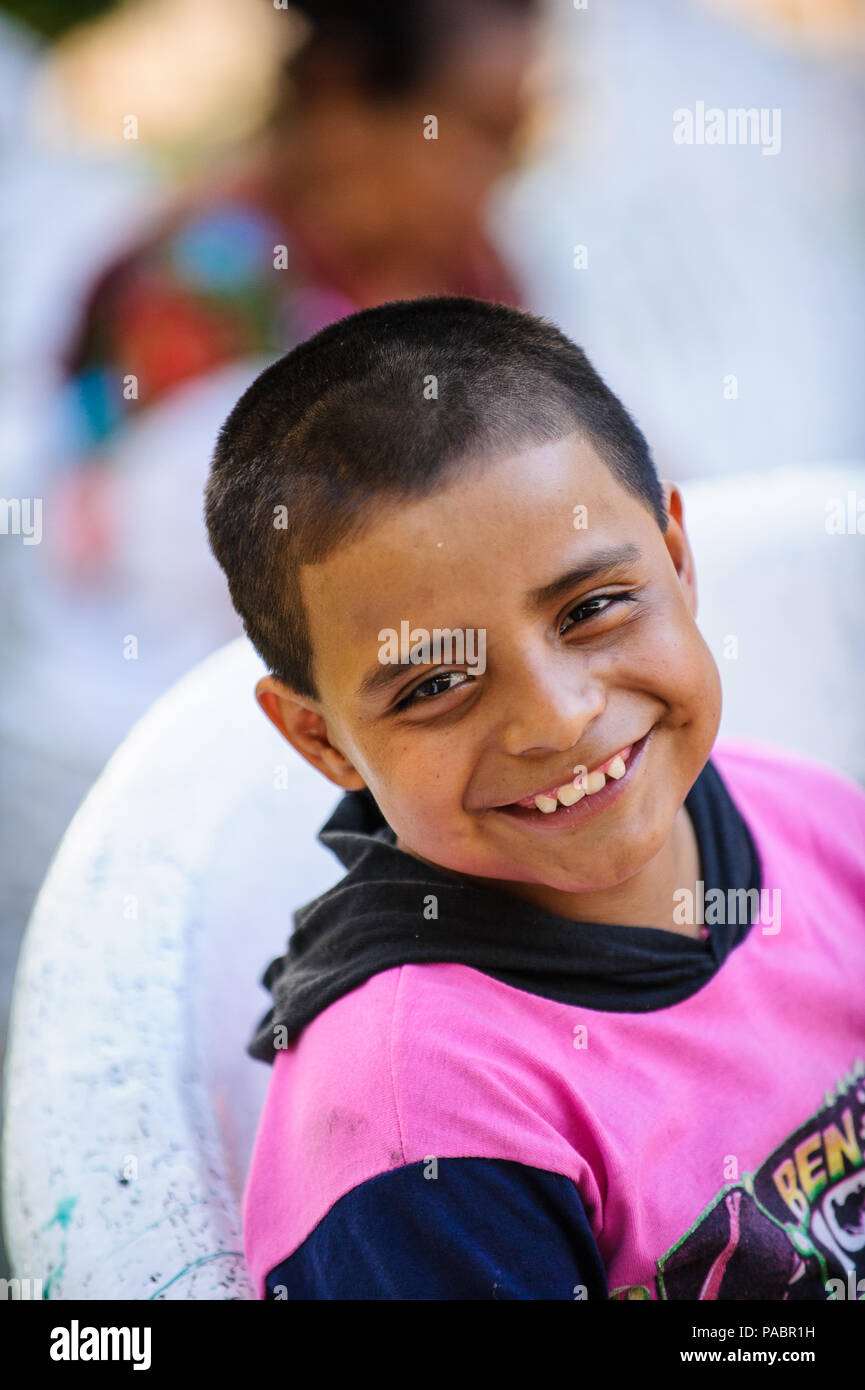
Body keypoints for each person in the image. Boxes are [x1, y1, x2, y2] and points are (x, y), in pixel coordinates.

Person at [204, 296, 865, 1301]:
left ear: (678, 562)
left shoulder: (813, 821)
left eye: (592, 608)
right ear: (318, 736)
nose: (556, 719)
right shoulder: (412, 1128)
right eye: (434, 685)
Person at [56, 0, 538, 580]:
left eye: (515, 144)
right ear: (339, 95)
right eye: (479, 135)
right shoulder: (204, 288)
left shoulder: (472, 265)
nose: (500, 180)